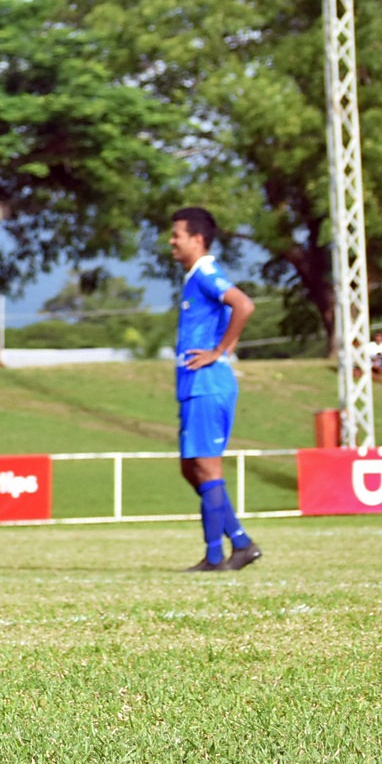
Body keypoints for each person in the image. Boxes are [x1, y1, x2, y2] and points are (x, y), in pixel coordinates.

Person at [169, 206, 259, 571]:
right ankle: (236, 543)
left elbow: (243, 304)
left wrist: (220, 351)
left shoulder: (206, 272)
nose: (171, 241)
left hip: (208, 384)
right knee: (191, 468)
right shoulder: (194, 276)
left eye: (177, 234)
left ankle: (219, 554)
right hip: (194, 386)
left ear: (197, 239)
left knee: (207, 468)